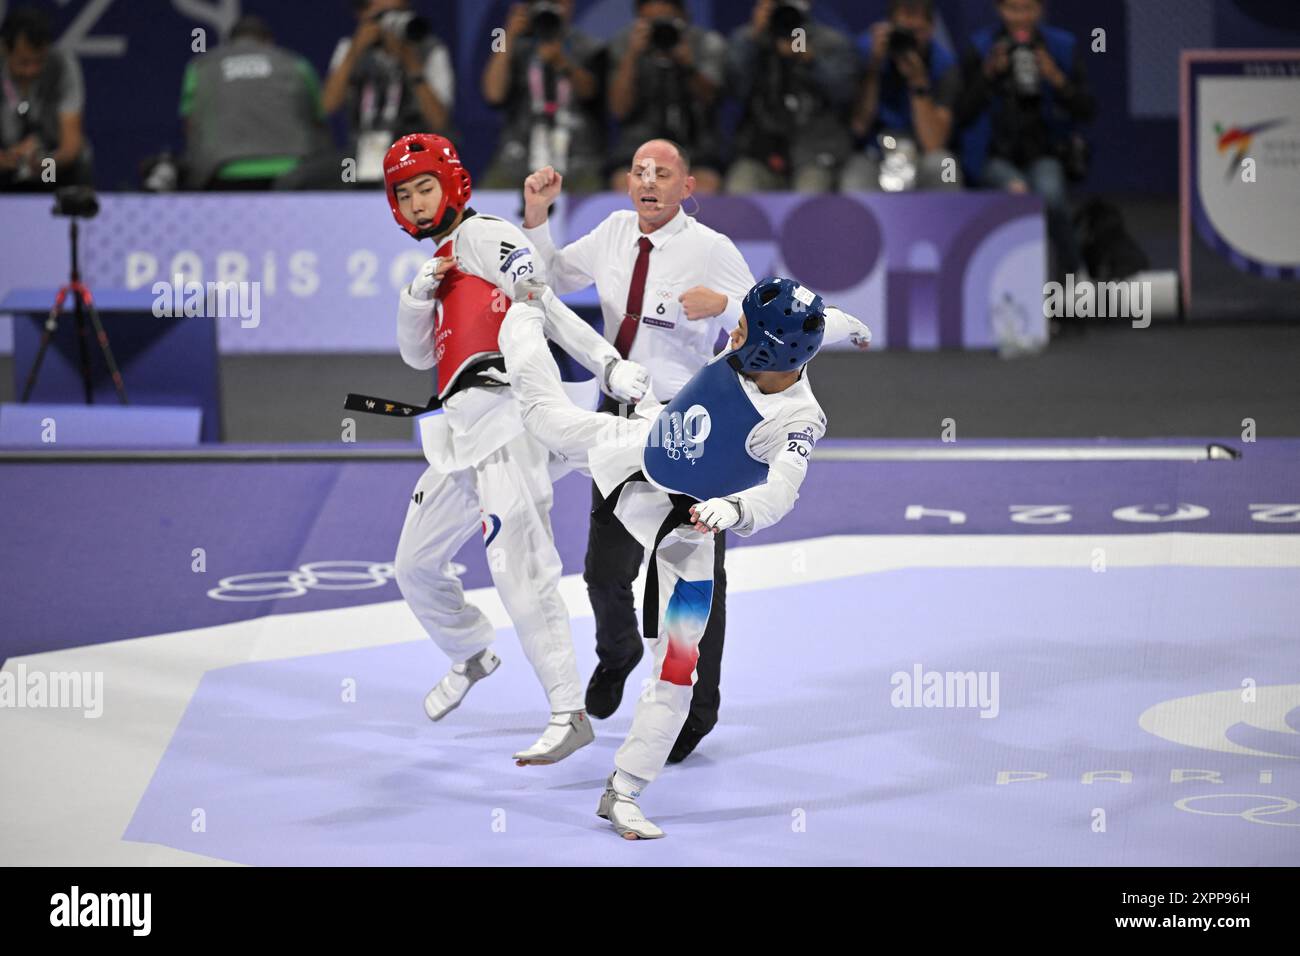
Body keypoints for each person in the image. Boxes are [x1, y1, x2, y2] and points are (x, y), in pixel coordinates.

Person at [496, 275, 872, 838]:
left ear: (770, 348)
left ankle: (623, 790)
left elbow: (782, 492)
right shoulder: (766, 346)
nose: (731, 331)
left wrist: (736, 512)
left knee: (677, 668)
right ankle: (525, 311)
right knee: (541, 416)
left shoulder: (798, 420)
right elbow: (828, 323)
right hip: (636, 451)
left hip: (689, 531)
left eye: (742, 327)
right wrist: (855, 327)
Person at [383, 133, 650, 764]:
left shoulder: (483, 235)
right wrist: (416, 295)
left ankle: (569, 710)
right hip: (459, 433)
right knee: (415, 564)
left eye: (426, 187)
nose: (419, 203)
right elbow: (419, 355)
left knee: (520, 568)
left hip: (507, 418)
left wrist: (608, 367)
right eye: (405, 194)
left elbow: (542, 301)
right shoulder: (444, 259)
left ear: (451, 185)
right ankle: (471, 650)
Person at [520, 139, 754, 763]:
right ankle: (619, 650)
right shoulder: (614, 232)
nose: (650, 182)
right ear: (628, 182)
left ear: (687, 184)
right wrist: (538, 216)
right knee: (603, 568)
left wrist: (726, 304)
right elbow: (549, 278)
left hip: (690, 429)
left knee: (695, 579)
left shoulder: (711, 249)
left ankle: (695, 713)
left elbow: (768, 321)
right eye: (640, 172)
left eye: (664, 173)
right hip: (617, 423)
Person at [956, 0, 1094, 277]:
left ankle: (1075, 272)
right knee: (1016, 193)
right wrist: (988, 74)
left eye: (1027, 9)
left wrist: (1056, 78)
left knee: (1051, 197)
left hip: (1045, 154)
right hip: (992, 156)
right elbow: (962, 114)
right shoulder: (981, 47)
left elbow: (1087, 109)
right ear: (999, 10)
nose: (1020, 17)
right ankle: (1019, 283)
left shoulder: (1061, 47)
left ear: (1040, 9)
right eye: (1012, 9)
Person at [179, 16, 332, 190]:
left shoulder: (201, 67)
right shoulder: (295, 64)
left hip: (223, 171)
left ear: (230, 43)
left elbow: (191, 125)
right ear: (269, 42)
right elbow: (319, 118)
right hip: (292, 170)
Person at [725, 0, 857, 193]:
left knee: (809, 192)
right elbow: (735, 90)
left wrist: (808, 59)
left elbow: (844, 93)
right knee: (739, 187)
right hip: (760, 151)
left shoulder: (830, 42)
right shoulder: (750, 40)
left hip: (815, 150)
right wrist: (754, 37)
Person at [323, 0, 455, 185]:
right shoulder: (349, 48)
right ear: (363, 15)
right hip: (358, 153)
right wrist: (355, 52)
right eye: (382, 15)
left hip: (412, 154)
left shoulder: (430, 49)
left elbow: (439, 122)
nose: (391, 21)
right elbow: (328, 105)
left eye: (399, 12)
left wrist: (412, 65)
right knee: (300, 181)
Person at [480, 0, 606, 193]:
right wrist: (508, 33)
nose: (550, 7)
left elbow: (590, 92)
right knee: (484, 205)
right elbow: (493, 93)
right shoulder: (505, 40)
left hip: (578, 158)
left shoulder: (589, 46)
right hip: (516, 156)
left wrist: (563, 62)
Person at [606, 0, 726, 192]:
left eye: (666, 20)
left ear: (684, 18)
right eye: (651, 22)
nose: (660, 28)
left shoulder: (705, 43)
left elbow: (710, 99)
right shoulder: (625, 44)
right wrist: (632, 57)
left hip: (695, 152)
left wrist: (688, 64)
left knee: (704, 187)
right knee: (626, 185)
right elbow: (619, 109)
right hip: (637, 152)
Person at [843, 0, 961, 192]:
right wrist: (873, 69)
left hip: (921, 155)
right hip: (873, 153)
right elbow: (859, 126)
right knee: (852, 175)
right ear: (889, 26)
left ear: (931, 29)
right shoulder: (866, 52)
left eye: (917, 32)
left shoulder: (944, 65)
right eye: (903, 31)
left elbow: (934, 143)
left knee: (946, 165)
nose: (909, 40)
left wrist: (918, 83)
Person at [0, 5, 91, 189]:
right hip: (5, 165)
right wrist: (13, 160)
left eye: (39, 61)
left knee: (77, 164)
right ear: (5, 49)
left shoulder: (62, 66)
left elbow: (70, 146)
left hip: (50, 164)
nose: (32, 70)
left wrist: (41, 163)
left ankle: (64, 212)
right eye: (24, 62)